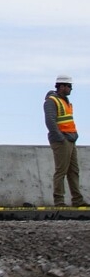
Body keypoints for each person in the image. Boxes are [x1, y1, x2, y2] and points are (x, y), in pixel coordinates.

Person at [45, 76, 85, 207]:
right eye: (69, 86)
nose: (71, 89)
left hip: (70, 139)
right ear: (61, 86)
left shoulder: (65, 101)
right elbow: (50, 121)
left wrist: (74, 135)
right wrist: (60, 138)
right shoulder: (51, 101)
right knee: (61, 171)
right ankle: (59, 201)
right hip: (61, 141)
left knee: (74, 171)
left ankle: (77, 200)